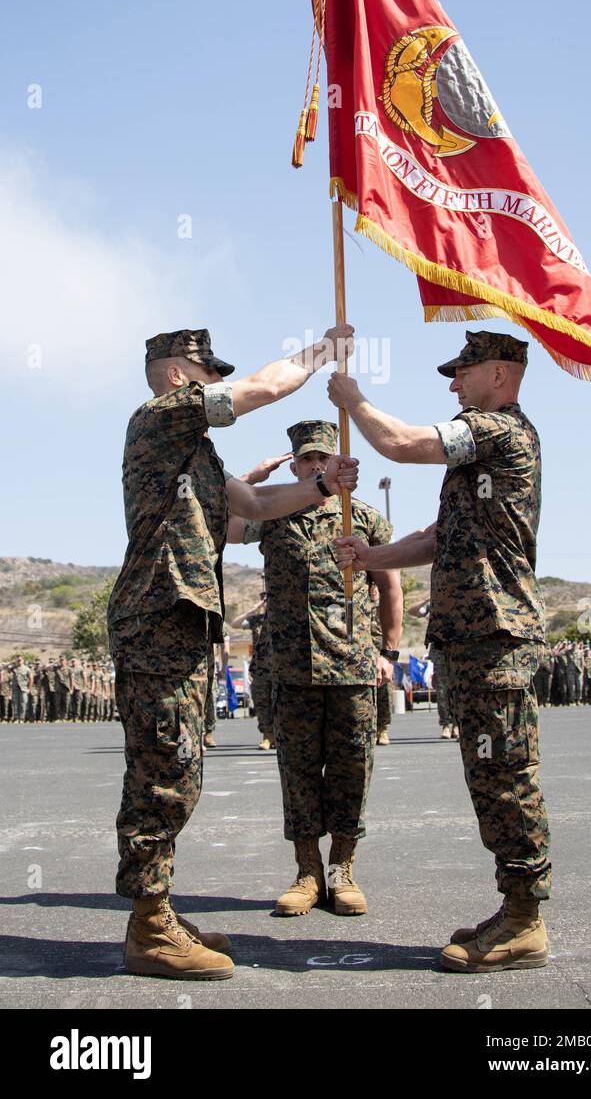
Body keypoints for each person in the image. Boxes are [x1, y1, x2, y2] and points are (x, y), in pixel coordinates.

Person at [107, 324, 357, 982]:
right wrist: (319, 355)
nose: (218, 382)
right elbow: (261, 388)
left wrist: (324, 488)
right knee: (163, 773)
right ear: (175, 373)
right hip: (158, 616)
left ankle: (154, 913)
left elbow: (256, 504)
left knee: (178, 769)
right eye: (207, 370)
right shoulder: (161, 418)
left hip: (183, 621)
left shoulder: (202, 458)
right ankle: (149, 928)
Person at [329, 329, 551, 973]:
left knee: (507, 777)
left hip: (496, 634)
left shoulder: (500, 430)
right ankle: (516, 906)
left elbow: (400, 445)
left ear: (501, 376)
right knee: (490, 777)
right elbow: (437, 537)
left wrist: (354, 399)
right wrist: (373, 557)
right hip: (474, 637)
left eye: (464, 371)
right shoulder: (481, 442)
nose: (453, 384)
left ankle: (525, 918)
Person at [228, 419, 403, 917]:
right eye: (306, 459)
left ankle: (342, 869)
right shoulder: (274, 517)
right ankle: (307, 872)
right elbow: (224, 523)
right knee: (298, 770)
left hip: (351, 663)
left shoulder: (364, 517)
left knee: (352, 766)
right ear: (297, 464)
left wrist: (388, 653)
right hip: (290, 665)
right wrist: (253, 480)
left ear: (338, 463)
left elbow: (390, 587)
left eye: (324, 458)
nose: (316, 465)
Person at [408, 597, 459, 739]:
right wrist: (426, 600)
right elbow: (412, 611)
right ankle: (445, 725)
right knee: (442, 691)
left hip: (456, 651)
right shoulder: (433, 606)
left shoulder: (457, 602)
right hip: (439, 652)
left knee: (456, 690)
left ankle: (457, 724)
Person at [231, 595, 274, 750]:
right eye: (265, 601)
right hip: (261, 668)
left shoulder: (285, 617)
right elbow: (234, 623)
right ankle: (267, 736)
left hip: (281, 669)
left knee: (281, 704)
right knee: (262, 703)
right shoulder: (257, 620)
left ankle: (280, 736)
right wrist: (251, 610)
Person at [370, 580, 394, 746]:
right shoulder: (358, 601)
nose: (372, 590)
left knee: (384, 689)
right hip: (363, 649)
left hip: (380, 649)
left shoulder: (383, 605)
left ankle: (383, 728)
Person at [11, 656, 31, 723]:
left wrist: (29, 688)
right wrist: (12, 662)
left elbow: (31, 678)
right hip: (15, 689)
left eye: (20, 660)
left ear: (23, 660)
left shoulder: (27, 669)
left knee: (23, 704)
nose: (19, 661)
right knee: (15, 704)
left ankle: (22, 718)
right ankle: (16, 718)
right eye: (18, 660)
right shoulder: (14, 668)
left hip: (23, 689)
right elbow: (3, 668)